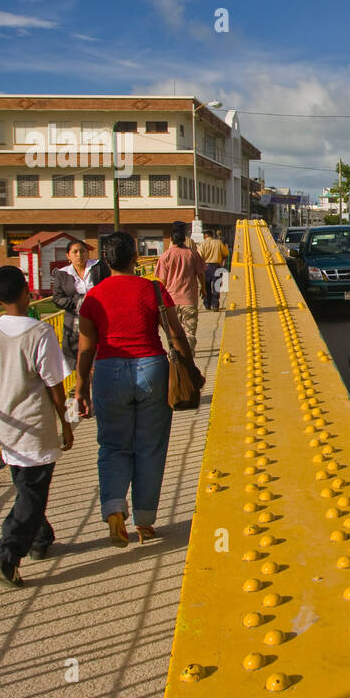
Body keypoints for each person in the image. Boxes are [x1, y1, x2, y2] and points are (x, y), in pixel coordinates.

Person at [75, 231, 193, 547]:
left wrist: (80, 387)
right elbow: (176, 332)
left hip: (109, 371)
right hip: (152, 367)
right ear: (135, 258)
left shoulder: (93, 297)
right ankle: (144, 521)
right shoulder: (152, 289)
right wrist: (189, 368)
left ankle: (114, 510)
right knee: (150, 447)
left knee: (113, 445)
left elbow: (86, 349)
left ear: (106, 260)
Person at [0, 266, 75, 588]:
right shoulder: (39, 333)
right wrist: (65, 423)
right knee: (32, 492)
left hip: (6, 424)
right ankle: (7, 553)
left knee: (25, 484)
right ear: (28, 291)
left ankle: (41, 538)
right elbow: (55, 385)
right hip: (35, 423)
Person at [51, 239, 109, 365]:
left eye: (82, 251)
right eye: (75, 252)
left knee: (98, 360)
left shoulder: (98, 267)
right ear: (68, 255)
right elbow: (57, 299)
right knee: (79, 363)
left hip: (99, 320)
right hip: (74, 325)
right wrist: (79, 301)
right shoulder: (62, 274)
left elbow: (109, 287)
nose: (79, 255)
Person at [153, 222, 206, 351]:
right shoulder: (192, 254)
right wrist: (203, 289)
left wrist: (158, 298)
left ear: (171, 239)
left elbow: (162, 281)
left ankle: (176, 354)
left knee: (173, 332)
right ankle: (189, 355)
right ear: (184, 239)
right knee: (189, 332)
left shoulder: (165, 256)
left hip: (171, 301)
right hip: (189, 300)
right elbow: (201, 274)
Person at [197, 228, 229, 310]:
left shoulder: (202, 244)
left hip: (206, 267)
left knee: (206, 286)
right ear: (212, 235)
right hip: (216, 266)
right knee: (216, 286)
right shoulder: (218, 243)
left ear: (205, 236)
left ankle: (207, 304)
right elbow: (226, 253)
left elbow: (199, 257)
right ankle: (215, 305)